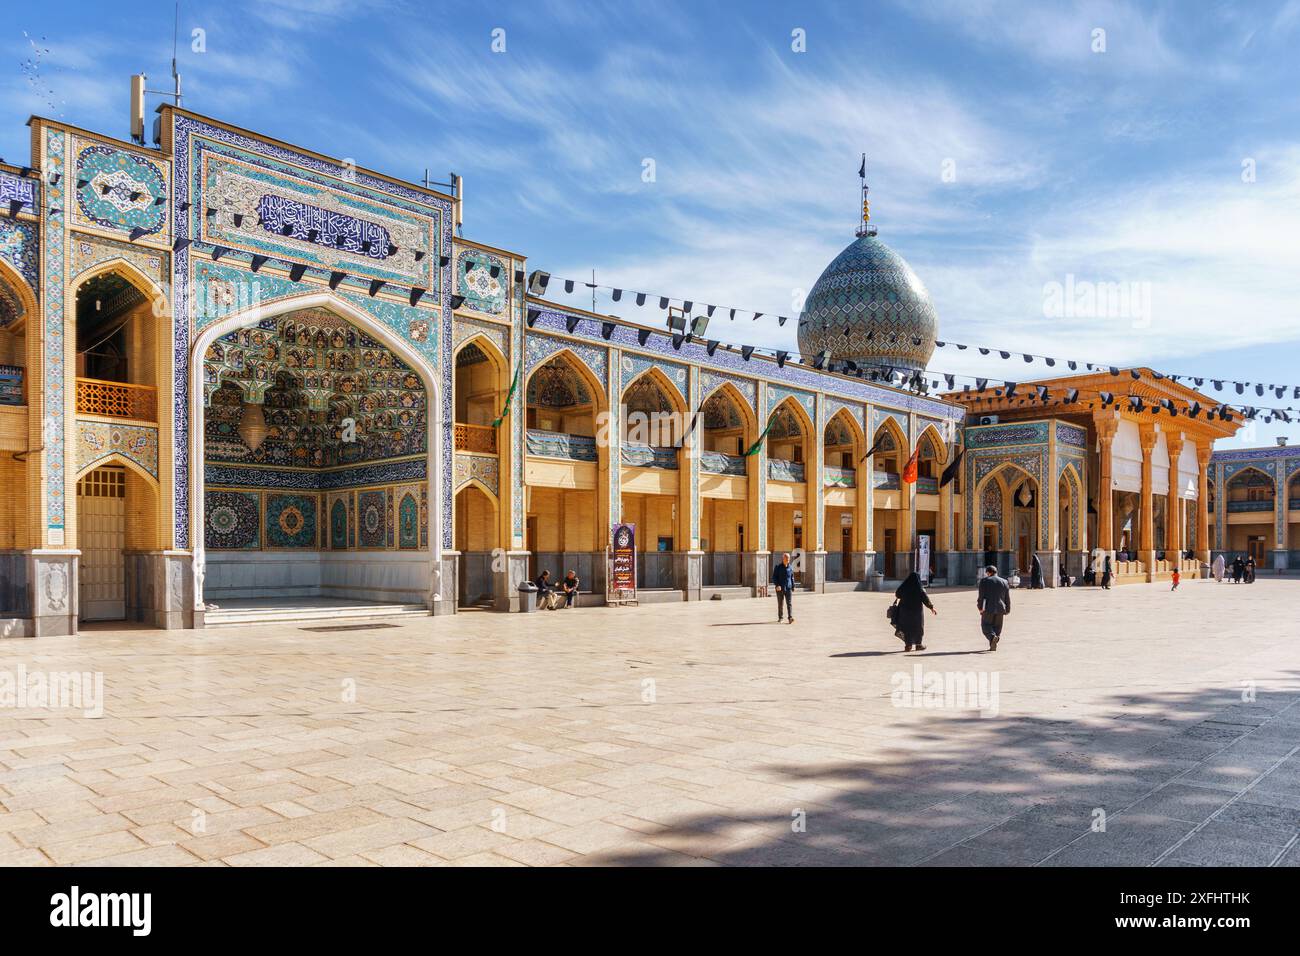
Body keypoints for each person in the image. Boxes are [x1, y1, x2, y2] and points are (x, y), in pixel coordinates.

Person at [892, 571, 936, 652]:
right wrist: (931, 608)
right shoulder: (919, 588)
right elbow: (925, 598)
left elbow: (897, 594)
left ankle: (908, 645)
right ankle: (918, 645)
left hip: (904, 611)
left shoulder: (904, 586)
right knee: (918, 627)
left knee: (906, 627)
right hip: (916, 612)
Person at [976, 565, 1011, 652]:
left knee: (985, 626)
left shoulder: (984, 581)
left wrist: (980, 607)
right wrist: (1008, 609)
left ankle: (992, 637)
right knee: (997, 627)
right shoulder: (1004, 581)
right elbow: (1007, 598)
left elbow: (981, 596)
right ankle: (993, 642)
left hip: (988, 608)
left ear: (988, 572)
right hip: (1000, 608)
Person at [771, 552, 795, 624]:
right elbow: (774, 577)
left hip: (788, 588)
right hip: (780, 589)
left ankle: (790, 617)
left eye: (789, 558)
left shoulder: (790, 567)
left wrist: (793, 586)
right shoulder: (778, 567)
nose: (788, 559)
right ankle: (780, 618)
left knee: (789, 603)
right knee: (780, 604)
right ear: (783, 558)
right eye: (786, 558)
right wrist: (777, 585)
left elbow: (792, 577)